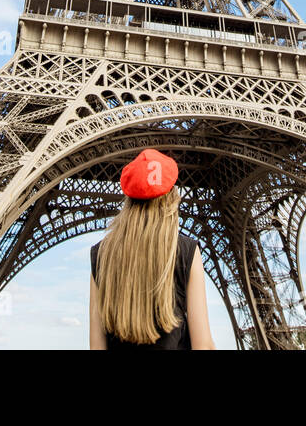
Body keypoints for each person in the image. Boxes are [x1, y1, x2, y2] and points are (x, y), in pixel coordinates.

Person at [88, 148, 215, 349]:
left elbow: (97, 347)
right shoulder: (186, 251)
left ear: (129, 200)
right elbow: (203, 345)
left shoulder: (102, 254)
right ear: (170, 198)